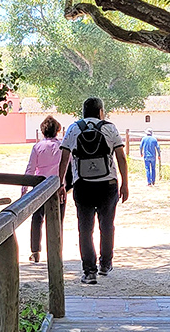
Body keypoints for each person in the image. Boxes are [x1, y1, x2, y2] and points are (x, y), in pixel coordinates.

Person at [59, 96, 129, 285]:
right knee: (107, 226)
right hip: (108, 185)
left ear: (83, 112)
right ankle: (105, 264)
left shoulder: (74, 128)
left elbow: (64, 159)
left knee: (85, 229)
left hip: (83, 185)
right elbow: (121, 158)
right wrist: (125, 183)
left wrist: (61, 185)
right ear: (100, 112)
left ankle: (89, 271)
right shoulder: (110, 127)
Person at [22, 115, 67, 263]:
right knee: (57, 220)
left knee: (37, 219)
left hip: (39, 186)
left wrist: (24, 188)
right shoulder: (62, 147)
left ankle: (35, 251)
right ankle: (56, 250)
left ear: (42, 131)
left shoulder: (37, 147)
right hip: (56, 186)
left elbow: (30, 168)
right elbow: (68, 167)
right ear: (57, 130)